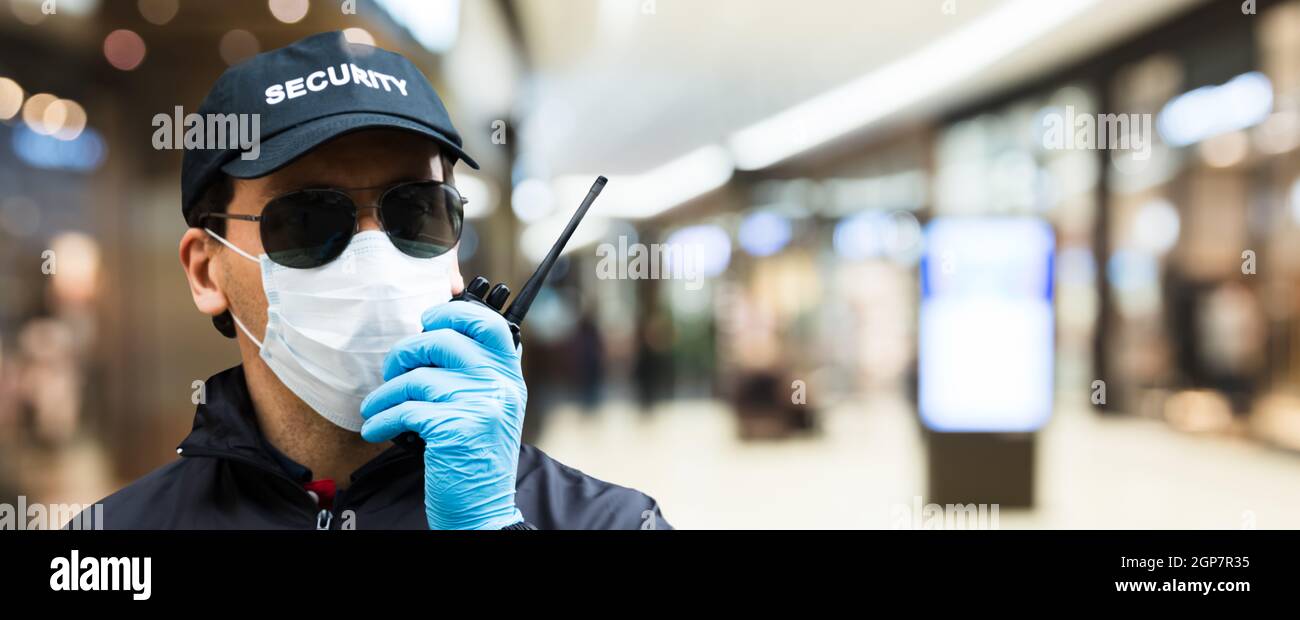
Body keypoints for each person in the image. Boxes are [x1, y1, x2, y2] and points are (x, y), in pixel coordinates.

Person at [89, 32, 669, 530]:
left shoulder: (608, 520)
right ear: (204, 270)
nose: (376, 255)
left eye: (418, 210)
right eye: (308, 217)